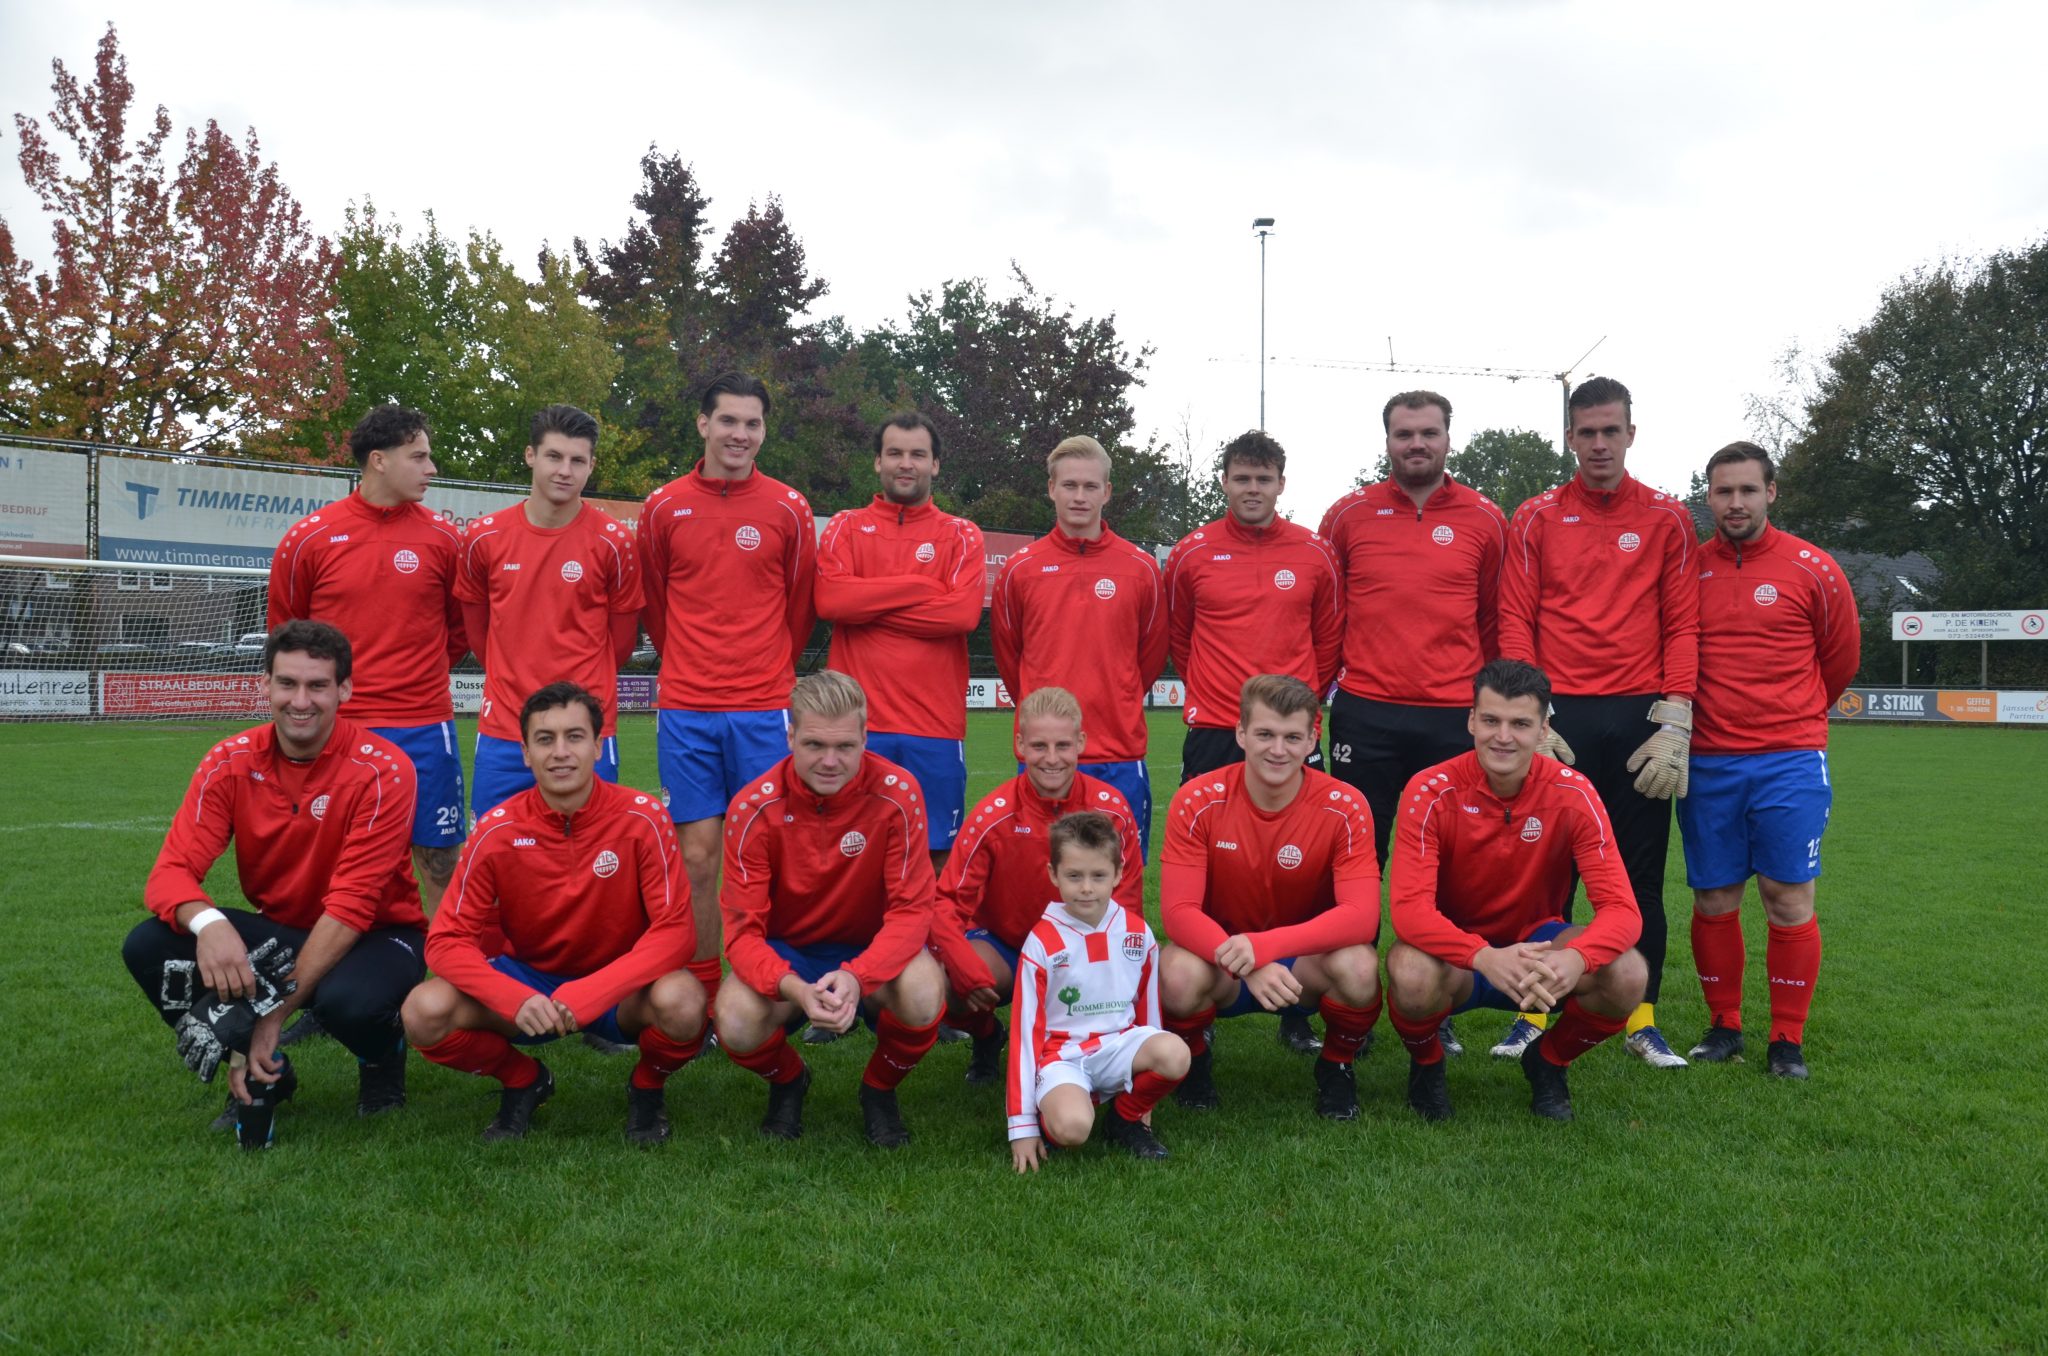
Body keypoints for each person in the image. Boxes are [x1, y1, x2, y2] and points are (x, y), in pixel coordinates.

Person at [121, 620, 426, 1148]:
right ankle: (268, 1075)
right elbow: (170, 872)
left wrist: (272, 1013)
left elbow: (352, 907)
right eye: (287, 683)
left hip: (378, 934)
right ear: (265, 685)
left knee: (345, 1001)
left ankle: (382, 1056)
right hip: (284, 929)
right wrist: (211, 922)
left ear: (344, 691)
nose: (300, 701)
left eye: (317, 686)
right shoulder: (230, 760)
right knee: (150, 944)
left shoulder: (384, 770)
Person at [1497, 376, 1699, 1069]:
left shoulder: (1668, 517)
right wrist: (1533, 713)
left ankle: (1642, 1018)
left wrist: (1677, 719)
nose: (1599, 444)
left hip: (1639, 718)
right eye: (1587, 432)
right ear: (1569, 438)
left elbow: (1683, 622)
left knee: (1637, 879)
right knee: (1545, 876)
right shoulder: (1536, 516)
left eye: (1611, 431)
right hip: (1561, 719)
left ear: (1631, 435)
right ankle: (1531, 1012)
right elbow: (1515, 619)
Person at [401, 683, 704, 1143]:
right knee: (423, 1011)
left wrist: (591, 993)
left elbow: (676, 933)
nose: (560, 752)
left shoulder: (642, 818)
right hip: (532, 984)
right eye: (545, 739)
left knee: (684, 1002)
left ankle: (647, 1086)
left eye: (575, 737)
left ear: (598, 747)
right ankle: (524, 1079)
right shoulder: (496, 829)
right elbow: (445, 941)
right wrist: (513, 997)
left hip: (619, 988)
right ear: (525, 752)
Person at [1316, 391, 1507, 1058]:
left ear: (1449, 437)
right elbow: (1325, 610)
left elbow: (1492, 620)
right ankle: (1355, 995)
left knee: (1442, 864)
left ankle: (1436, 995)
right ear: (1387, 440)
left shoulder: (1485, 517)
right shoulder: (1346, 516)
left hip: (1453, 716)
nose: (1416, 444)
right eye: (1404, 434)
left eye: (1428, 433)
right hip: (1366, 710)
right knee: (1357, 858)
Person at [1385, 659, 1647, 1121]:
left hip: (1539, 952)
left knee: (1627, 973)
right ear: (1471, 720)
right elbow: (1408, 911)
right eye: (1490, 720)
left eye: (1520, 724)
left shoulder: (1574, 792)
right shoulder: (1429, 789)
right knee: (1409, 969)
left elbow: (1623, 912)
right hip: (1459, 954)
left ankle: (1548, 1062)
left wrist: (1575, 958)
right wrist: (1482, 955)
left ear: (1544, 727)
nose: (1503, 736)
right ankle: (1427, 1065)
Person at [1680, 442, 1860, 1079]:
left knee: (1787, 896)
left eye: (1747, 491)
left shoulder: (1812, 567)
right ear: (1709, 497)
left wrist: (1795, 716)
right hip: (1707, 761)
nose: (1735, 503)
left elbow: (1838, 660)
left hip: (1789, 758)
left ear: (1771, 492)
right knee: (1715, 898)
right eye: (1723, 492)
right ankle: (1724, 1024)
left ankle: (1787, 1038)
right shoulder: (1687, 568)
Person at [639, 373, 817, 1019]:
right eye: (729, 421)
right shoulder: (663, 507)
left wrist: (766, 668)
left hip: (764, 707)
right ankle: (709, 992)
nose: (741, 434)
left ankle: (776, 985)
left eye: (753, 423)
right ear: (702, 424)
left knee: (773, 849)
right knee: (699, 852)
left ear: (764, 430)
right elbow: (656, 609)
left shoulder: (788, 508)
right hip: (686, 706)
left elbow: (800, 609)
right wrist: (691, 660)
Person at [713, 670, 948, 1147]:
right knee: (734, 1019)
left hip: (871, 947)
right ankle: (789, 1081)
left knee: (925, 992)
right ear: (791, 736)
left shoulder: (898, 793)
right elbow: (741, 934)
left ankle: (879, 1089)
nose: (829, 760)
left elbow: (911, 912)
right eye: (815, 745)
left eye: (845, 746)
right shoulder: (751, 808)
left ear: (865, 735)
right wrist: (794, 988)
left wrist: (859, 976)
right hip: (790, 954)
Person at [1156, 675, 1384, 1121]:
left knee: (1359, 966)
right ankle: (1195, 1060)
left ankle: (1337, 1065)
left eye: (1292, 737)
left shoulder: (1346, 804)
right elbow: (1178, 913)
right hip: (1222, 960)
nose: (1278, 749)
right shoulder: (1197, 799)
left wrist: (1265, 948)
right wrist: (1248, 960)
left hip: (1303, 964)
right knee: (1176, 973)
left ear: (1312, 739)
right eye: (1264, 734)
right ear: (1241, 733)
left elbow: (1361, 917)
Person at [269, 405, 468, 911]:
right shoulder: (309, 539)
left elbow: (461, 630)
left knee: (441, 861)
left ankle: (451, 984)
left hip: (425, 725)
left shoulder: (446, 540)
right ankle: (323, 975)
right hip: (338, 730)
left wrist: (414, 675)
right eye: (419, 457)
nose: (432, 469)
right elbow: (286, 637)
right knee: (334, 864)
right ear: (379, 461)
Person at [928, 686, 1143, 1084]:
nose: (1051, 758)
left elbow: (1127, 906)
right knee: (947, 982)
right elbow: (946, 902)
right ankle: (988, 1036)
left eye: (1063, 745)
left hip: (1084, 946)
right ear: (1020, 744)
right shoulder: (994, 813)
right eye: (1039, 745)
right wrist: (962, 964)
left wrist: (1100, 966)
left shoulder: (1110, 808)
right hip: (1008, 944)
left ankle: (1099, 1061)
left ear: (1080, 743)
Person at [815, 411, 985, 868]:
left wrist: (867, 603)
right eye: (895, 453)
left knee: (934, 860)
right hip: (855, 729)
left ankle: (927, 944)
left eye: (917, 454)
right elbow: (831, 601)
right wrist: (920, 587)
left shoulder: (960, 534)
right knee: (850, 858)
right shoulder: (846, 526)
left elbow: (962, 614)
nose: (905, 463)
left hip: (933, 727)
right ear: (877, 462)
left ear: (935, 465)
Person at [457, 404, 642, 819]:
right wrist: (514, 676)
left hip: (587, 729)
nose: (565, 470)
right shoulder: (483, 539)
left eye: (578, 461)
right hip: (505, 728)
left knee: (592, 861)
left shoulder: (614, 542)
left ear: (591, 466)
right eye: (554, 456)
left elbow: (622, 643)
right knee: (495, 859)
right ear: (530, 456)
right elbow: (478, 634)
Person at [991, 435, 1168, 860]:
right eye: (1069, 485)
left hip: (1119, 753)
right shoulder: (1020, 569)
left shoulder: (1140, 569)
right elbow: (1009, 656)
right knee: (1043, 879)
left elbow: (1151, 655)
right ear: (1051, 488)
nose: (1079, 496)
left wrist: (1118, 698)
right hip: (1046, 756)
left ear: (1107, 492)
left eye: (1090, 486)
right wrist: (1044, 719)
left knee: (1119, 880)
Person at [1007, 811, 1189, 1169]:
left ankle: (1126, 1118)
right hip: (1063, 1057)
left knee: (1175, 1054)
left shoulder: (1137, 933)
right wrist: (1022, 1127)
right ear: (1053, 874)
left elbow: (1149, 1016)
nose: (1086, 887)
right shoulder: (1041, 943)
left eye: (1098, 876)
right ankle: (1059, 1110)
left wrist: (1145, 1102)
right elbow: (1025, 1036)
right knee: (1073, 1130)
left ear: (1119, 874)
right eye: (1074, 876)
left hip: (1118, 1047)